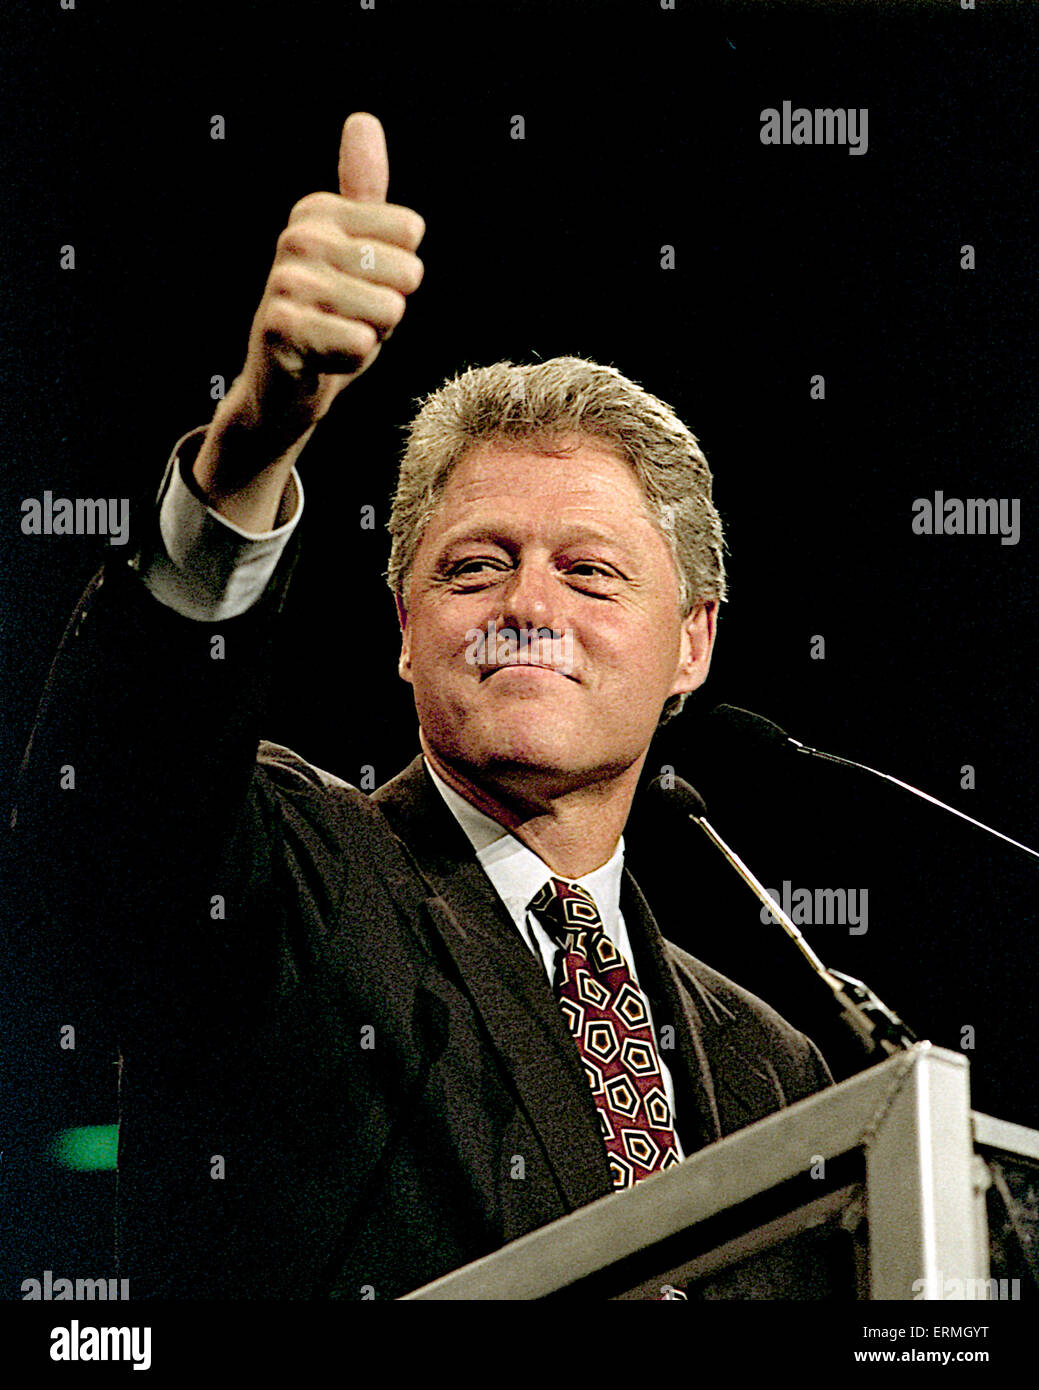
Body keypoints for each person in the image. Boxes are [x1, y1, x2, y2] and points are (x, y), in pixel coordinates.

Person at [11, 113, 831, 1300]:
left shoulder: (778, 1063)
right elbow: (116, 813)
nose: (525, 606)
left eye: (589, 571)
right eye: (473, 566)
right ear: (404, 631)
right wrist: (250, 450)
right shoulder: (290, 876)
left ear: (691, 644)